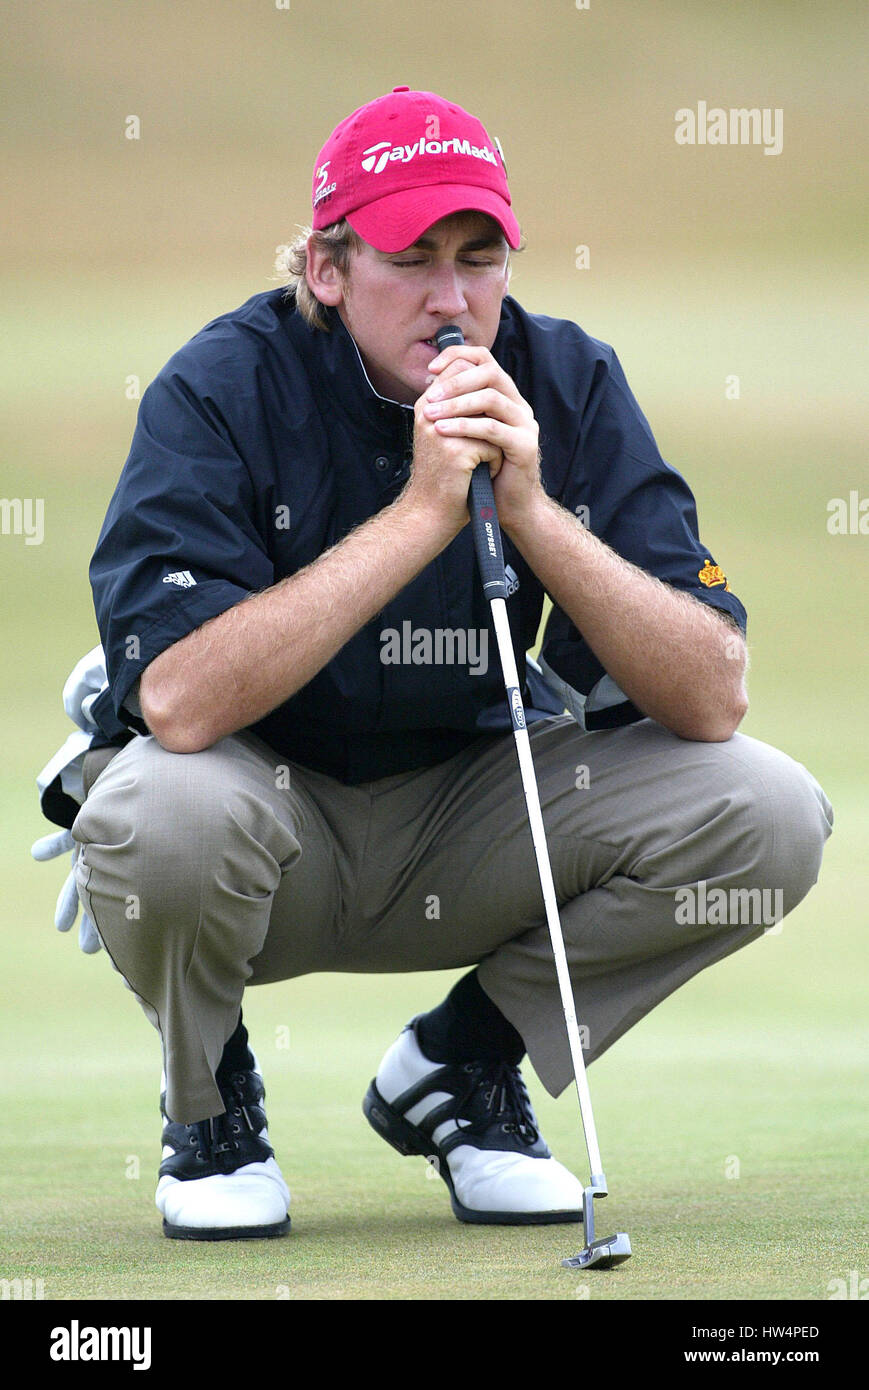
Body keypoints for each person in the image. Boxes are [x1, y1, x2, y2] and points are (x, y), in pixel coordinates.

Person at [33, 87, 832, 1241]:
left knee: (767, 811)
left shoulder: (562, 379)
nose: (451, 298)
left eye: (478, 258)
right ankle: (210, 1105)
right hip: (266, 822)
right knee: (161, 809)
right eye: (409, 259)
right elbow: (175, 698)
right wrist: (420, 514)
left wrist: (530, 507)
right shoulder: (220, 386)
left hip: (476, 811)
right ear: (324, 268)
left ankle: (461, 1067)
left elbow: (711, 692)